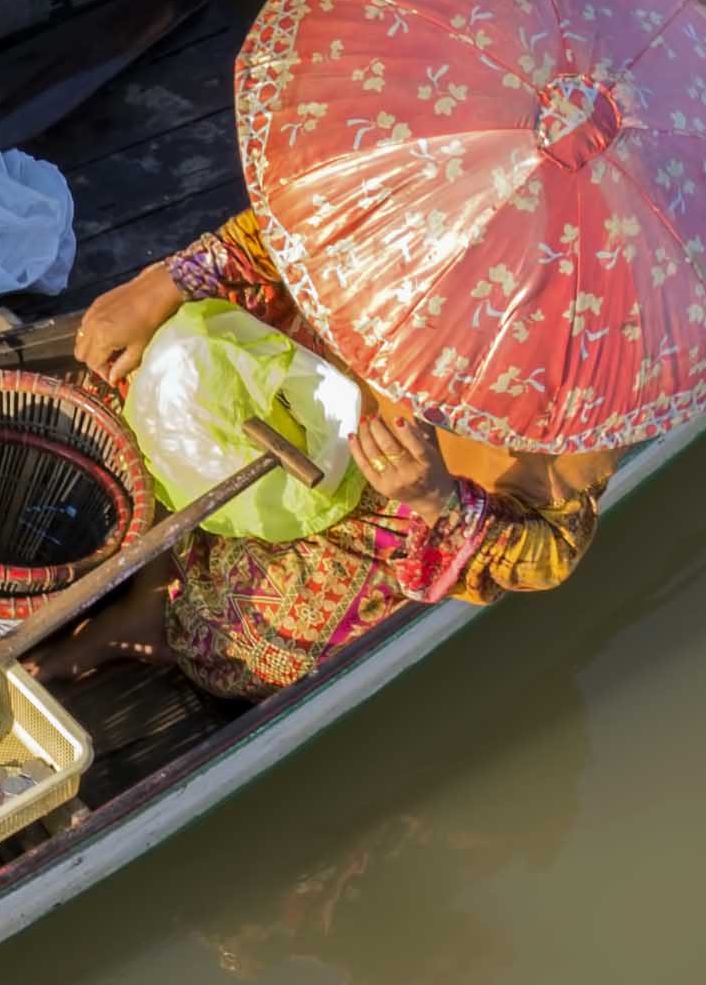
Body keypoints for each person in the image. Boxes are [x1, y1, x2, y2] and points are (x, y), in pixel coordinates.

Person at [52, 209, 611, 697]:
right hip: (307, 357)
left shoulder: (587, 373)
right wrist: (163, 288)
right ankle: (155, 572)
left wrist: (439, 499)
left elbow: (547, 551)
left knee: (262, 641)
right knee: (125, 378)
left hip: (398, 485)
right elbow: (297, 217)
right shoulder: (431, 184)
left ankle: (153, 609)